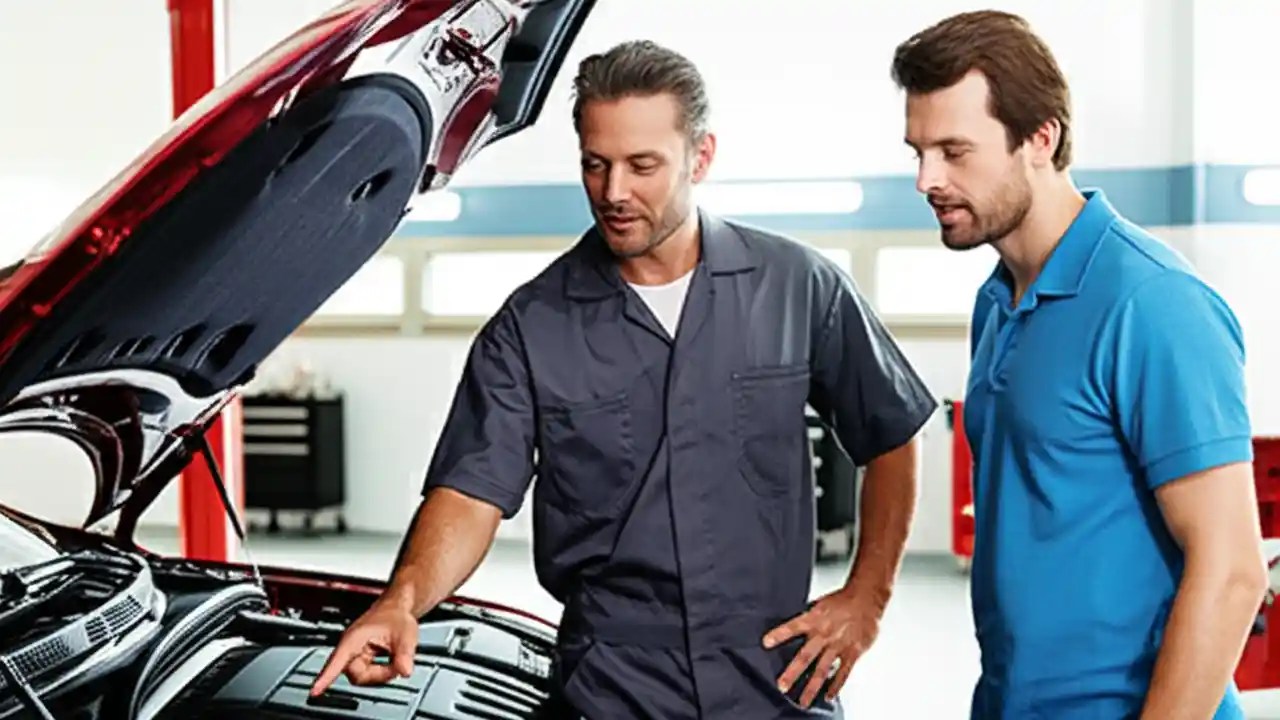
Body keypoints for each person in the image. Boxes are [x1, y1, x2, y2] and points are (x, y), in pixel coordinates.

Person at [310, 39, 937, 718]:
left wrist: (867, 598)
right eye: (595, 164)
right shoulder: (530, 325)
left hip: (775, 677)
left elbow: (891, 433)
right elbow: (470, 492)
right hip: (614, 685)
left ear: (700, 157)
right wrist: (402, 601)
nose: (614, 192)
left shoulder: (798, 286)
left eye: (642, 166)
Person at [891, 10, 1269, 720]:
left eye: (953, 151)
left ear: (1041, 138)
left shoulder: (1152, 301)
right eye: (918, 151)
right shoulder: (996, 303)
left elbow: (1231, 572)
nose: (925, 179)